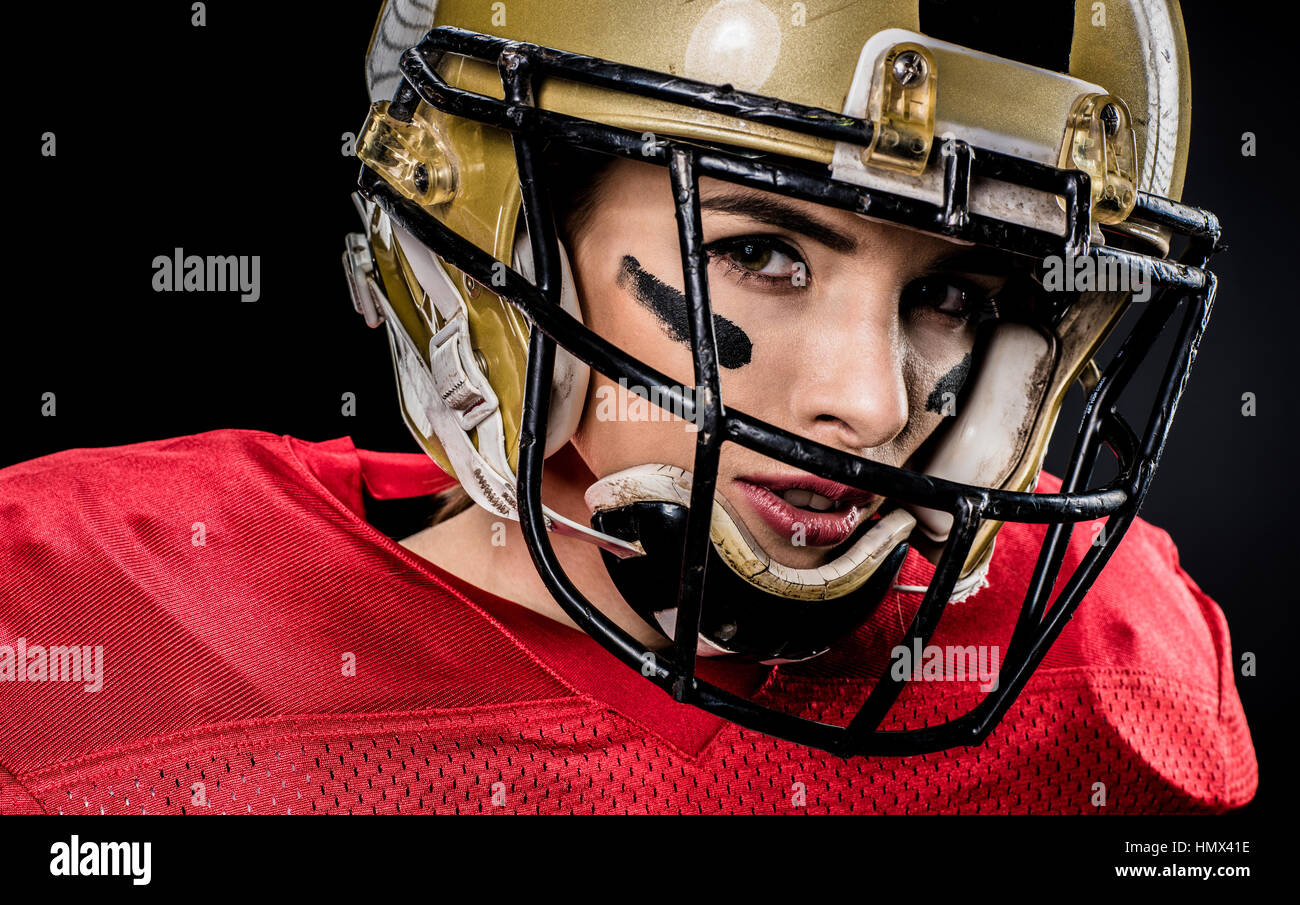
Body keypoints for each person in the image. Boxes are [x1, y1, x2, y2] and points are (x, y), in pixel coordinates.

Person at [0, 0, 1255, 813]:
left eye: (953, 296)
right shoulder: (94, 629)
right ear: (515, 248)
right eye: (761, 253)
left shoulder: (1110, 674)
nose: (869, 406)